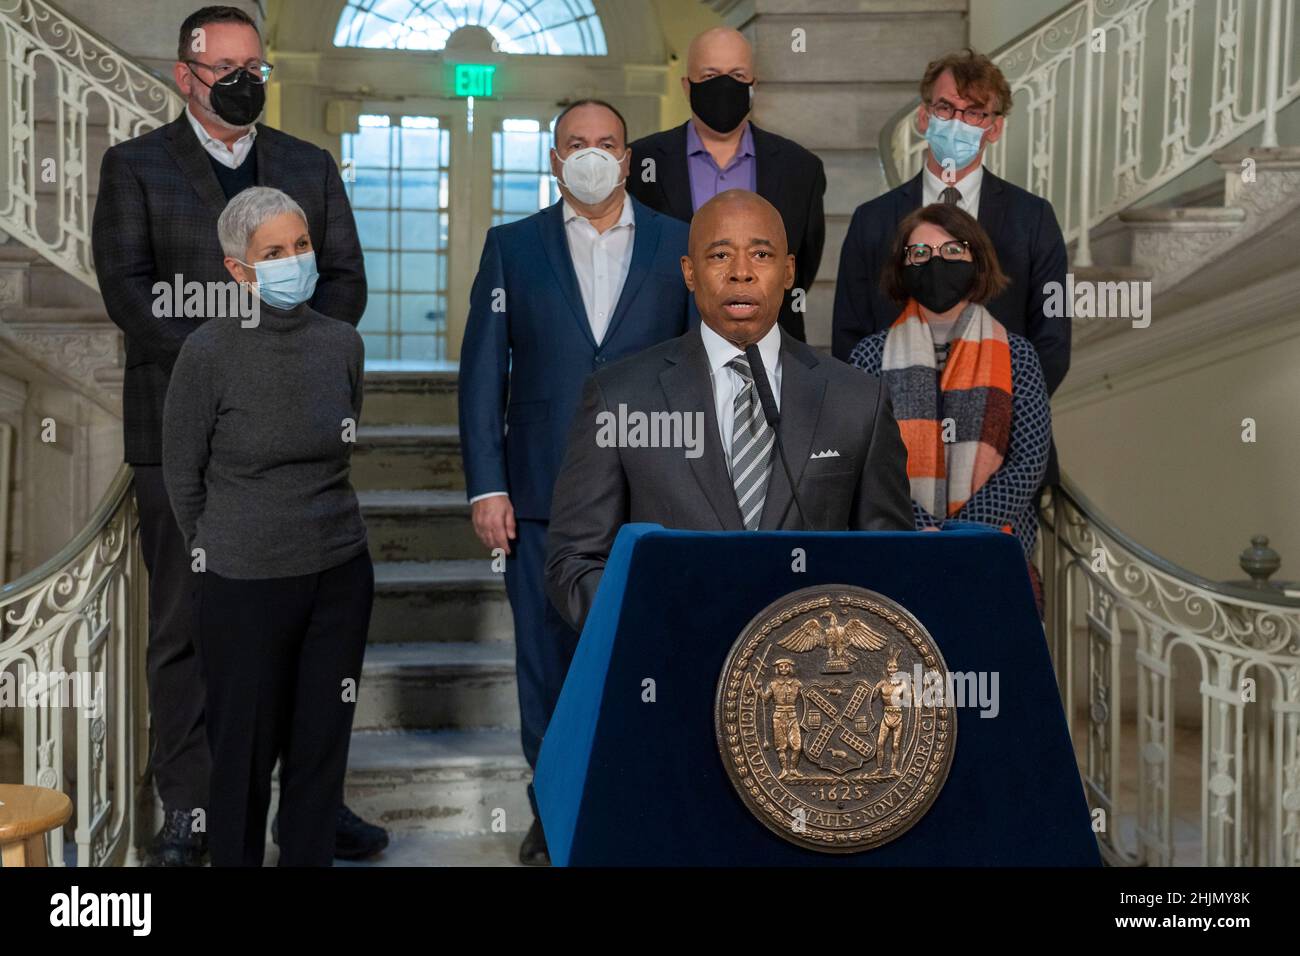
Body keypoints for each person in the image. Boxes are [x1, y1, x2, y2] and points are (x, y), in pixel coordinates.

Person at [90, 4, 386, 865]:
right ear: (186, 74)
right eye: (224, 66)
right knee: (187, 632)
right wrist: (226, 379)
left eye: (254, 63)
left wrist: (283, 375)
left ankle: (313, 807)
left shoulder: (307, 164)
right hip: (180, 441)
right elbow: (128, 291)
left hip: (296, 461)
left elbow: (345, 282)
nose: (243, 78)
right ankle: (191, 811)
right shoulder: (135, 167)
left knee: (306, 645)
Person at [458, 99, 693, 866]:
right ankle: (551, 809)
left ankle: (639, 801)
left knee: (649, 654)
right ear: (555, 160)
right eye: (574, 144)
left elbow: (698, 369)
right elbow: (482, 372)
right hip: (538, 494)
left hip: (653, 491)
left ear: (628, 159)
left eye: (606, 143)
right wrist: (486, 486)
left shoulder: (679, 245)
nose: (591, 155)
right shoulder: (511, 247)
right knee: (546, 662)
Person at [545, 190, 913, 633]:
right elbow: (576, 561)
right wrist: (652, 623)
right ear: (689, 272)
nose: (741, 273)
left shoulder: (858, 400)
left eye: (761, 254)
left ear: (788, 271)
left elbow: (891, 562)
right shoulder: (619, 397)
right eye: (720, 255)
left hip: (808, 686)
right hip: (668, 675)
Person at [161, 186, 373, 867]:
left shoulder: (342, 344)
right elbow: (181, 472)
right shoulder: (208, 352)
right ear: (238, 270)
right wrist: (219, 545)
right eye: (273, 252)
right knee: (243, 759)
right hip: (242, 581)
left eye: (301, 246)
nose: (293, 261)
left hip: (339, 573)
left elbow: (341, 439)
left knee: (319, 752)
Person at [831, 48, 1067, 484]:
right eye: (946, 107)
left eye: (975, 113)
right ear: (924, 117)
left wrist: (993, 426)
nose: (957, 122)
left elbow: (1051, 340)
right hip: (891, 459)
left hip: (1006, 458)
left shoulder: (1032, 218)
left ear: (994, 128)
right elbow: (849, 335)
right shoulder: (873, 219)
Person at [849, 203, 1051, 612]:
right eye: (920, 253)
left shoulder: (1018, 355)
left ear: (977, 261)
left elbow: (1029, 461)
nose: (935, 262)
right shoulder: (868, 357)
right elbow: (866, 462)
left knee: (993, 671)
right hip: (900, 551)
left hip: (993, 551)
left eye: (952, 251)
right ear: (901, 267)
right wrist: (921, 528)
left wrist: (963, 532)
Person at [627, 27, 825, 342]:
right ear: (686, 86)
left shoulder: (800, 168)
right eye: (709, 76)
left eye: (736, 75)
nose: (724, 86)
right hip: (663, 349)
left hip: (771, 349)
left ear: (753, 85)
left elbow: (802, 263)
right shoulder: (640, 162)